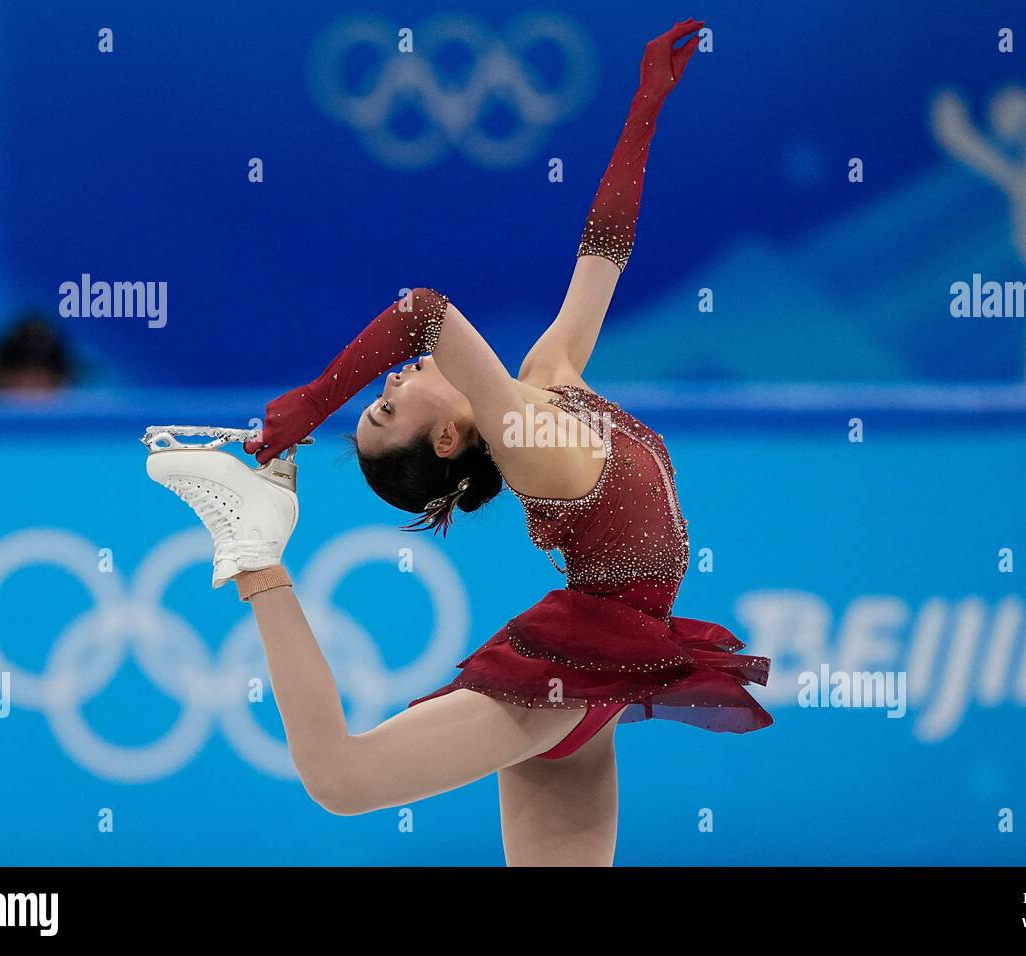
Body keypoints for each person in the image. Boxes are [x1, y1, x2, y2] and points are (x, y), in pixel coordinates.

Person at [147, 19, 771, 866]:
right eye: (385, 409)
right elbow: (423, 313)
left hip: (595, 687)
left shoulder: (550, 380)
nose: (389, 381)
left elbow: (604, 252)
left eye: (379, 394)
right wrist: (303, 411)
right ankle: (257, 554)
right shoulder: (527, 442)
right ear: (451, 436)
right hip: (572, 671)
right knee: (340, 777)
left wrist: (645, 107)